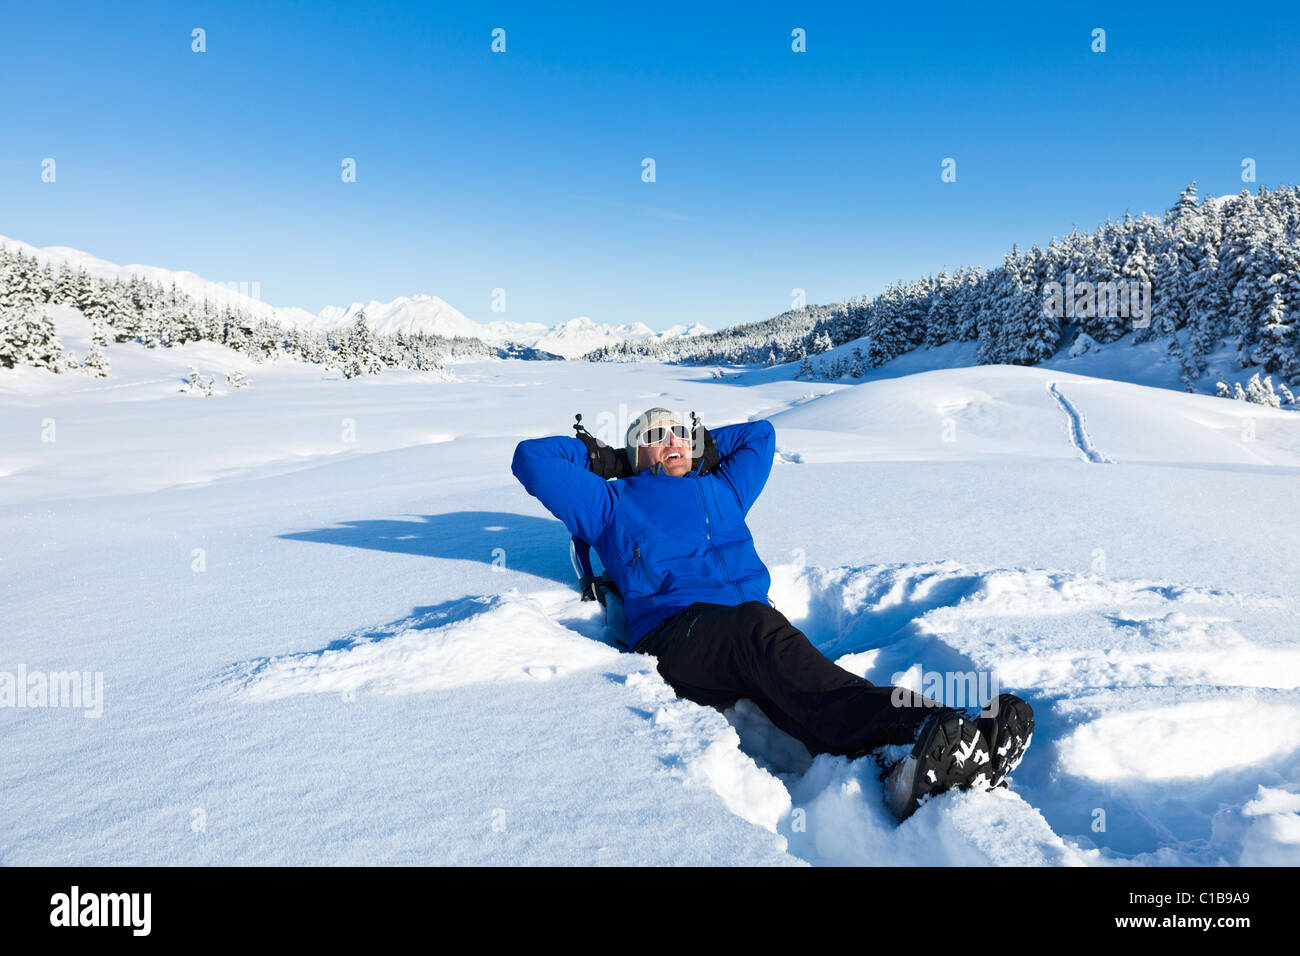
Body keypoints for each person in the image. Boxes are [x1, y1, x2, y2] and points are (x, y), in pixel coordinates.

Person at [511, 406, 1033, 821]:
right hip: (677, 635)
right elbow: (530, 459)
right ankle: (927, 726)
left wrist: (705, 446)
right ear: (634, 454)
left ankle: (914, 759)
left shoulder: (724, 489)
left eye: (678, 432)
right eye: (654, 436)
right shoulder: (613, 502)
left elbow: (760, 436)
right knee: (770, 643)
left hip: (748, 634)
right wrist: (603, 460)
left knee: (801, 690)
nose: (671, 440)